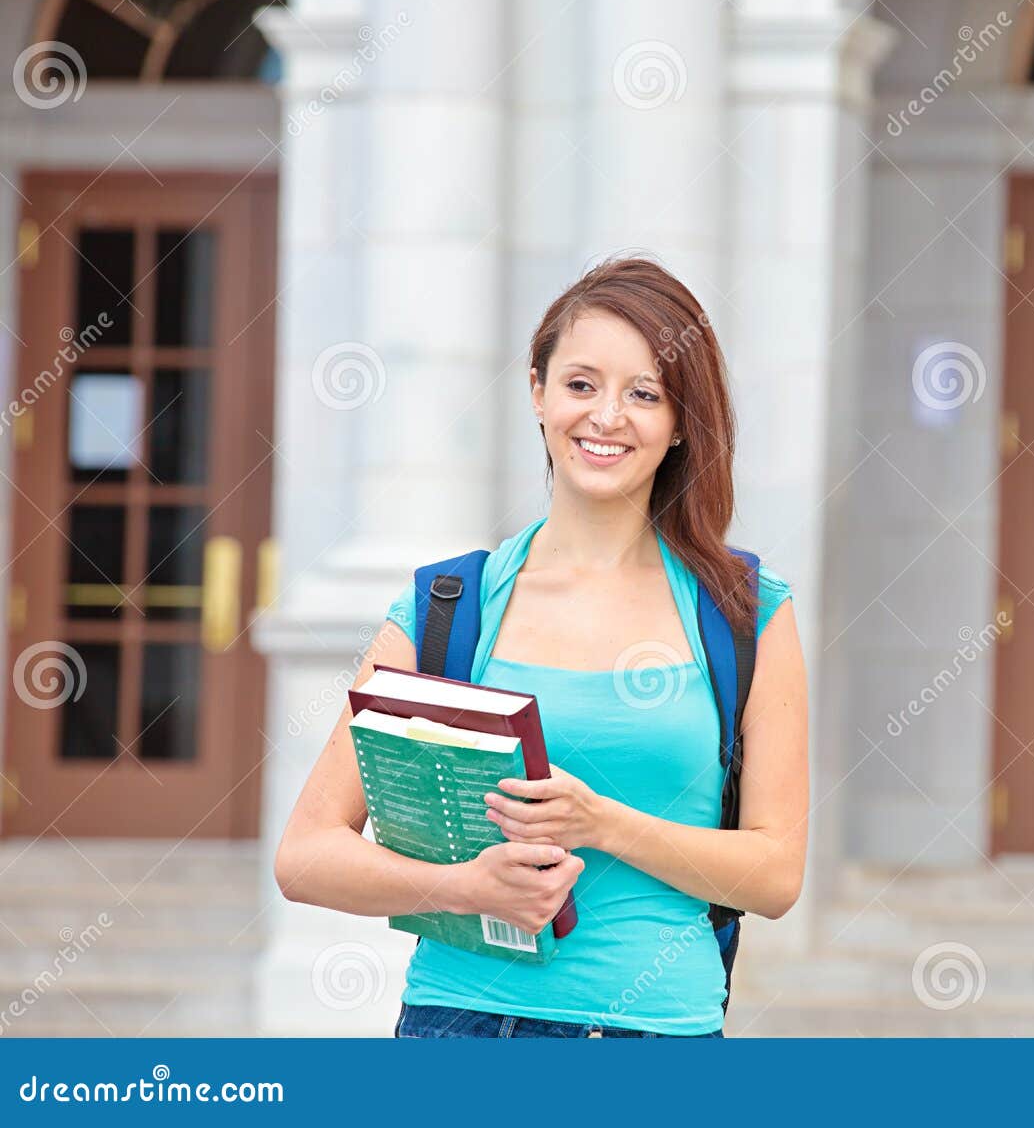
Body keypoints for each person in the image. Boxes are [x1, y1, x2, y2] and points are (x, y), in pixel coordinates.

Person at [273, 256, 809, 1038]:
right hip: (459, 1031)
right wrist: (464, 886)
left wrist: (601, 822)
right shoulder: (444, 612)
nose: (606, 417)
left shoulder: (744, 613)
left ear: (682, 421)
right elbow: (305, 855)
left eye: (645, 393)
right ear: (538, 392)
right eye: (581, 384)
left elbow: (776, 873)